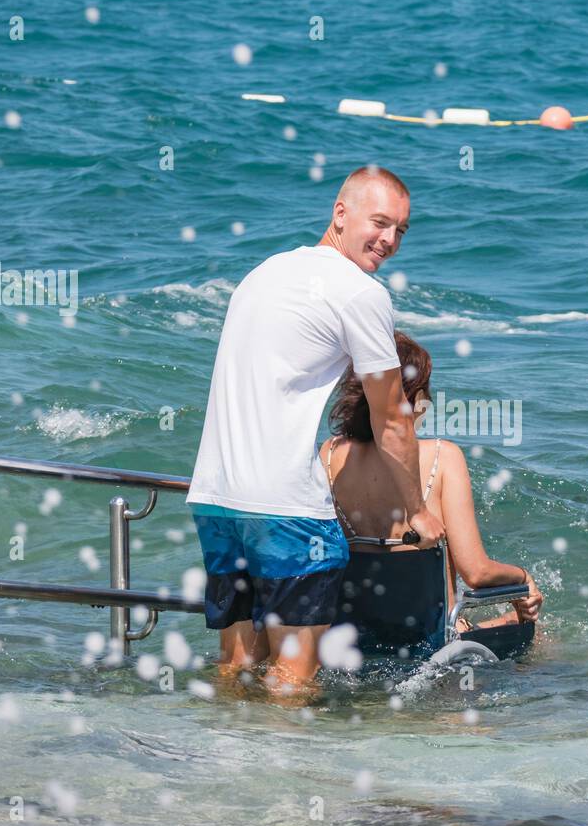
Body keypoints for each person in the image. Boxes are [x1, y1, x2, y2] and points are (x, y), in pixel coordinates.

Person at [187, 165, 445, 687]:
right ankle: (283, 769)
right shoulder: (359, 292)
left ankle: (219, 758)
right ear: (340, 213)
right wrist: (417, 510)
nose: (390, 239)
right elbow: (391, 415)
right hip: (285, 507)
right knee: (292, 675)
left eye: (401, 230)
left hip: (216, 497)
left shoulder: (266, 271)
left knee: (236, 664)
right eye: (380, 223)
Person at [322, 332, 543, 632]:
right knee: (532, 630)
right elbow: (476, 573)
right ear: (413, 398)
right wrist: (522, 578)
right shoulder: (443, 457)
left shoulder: (331, 454)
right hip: (431, 642)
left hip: (353, 640)